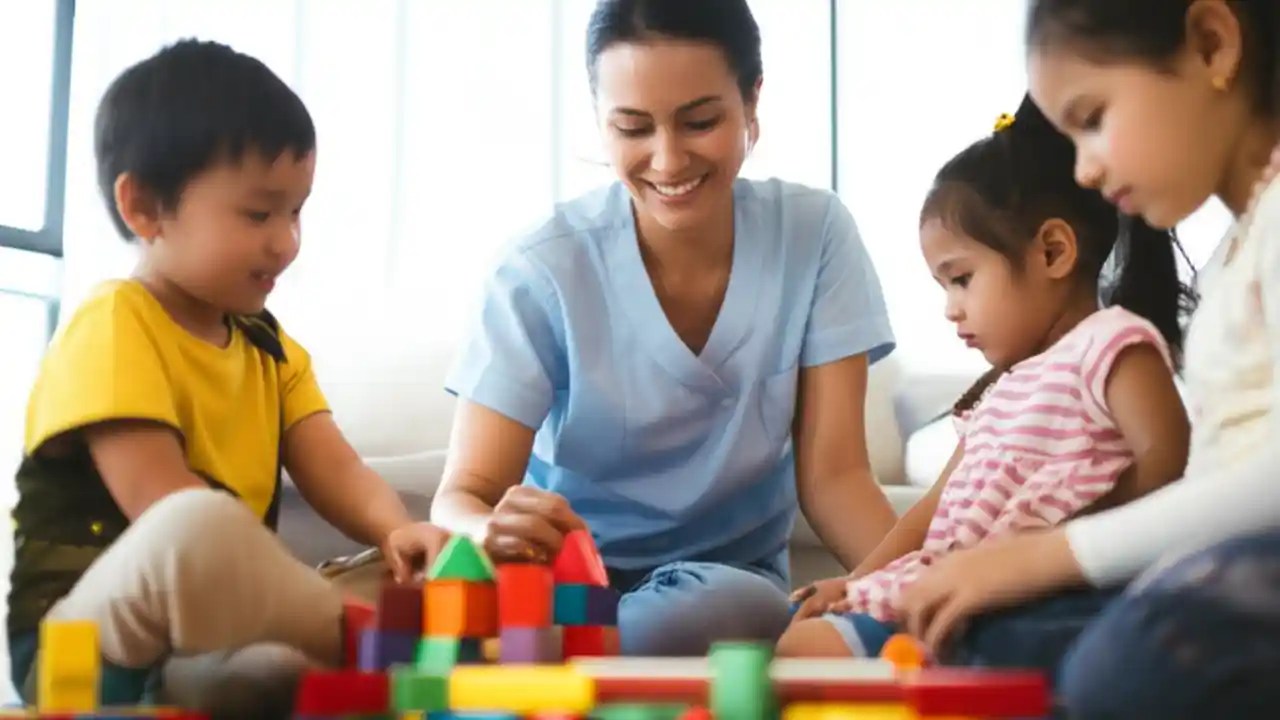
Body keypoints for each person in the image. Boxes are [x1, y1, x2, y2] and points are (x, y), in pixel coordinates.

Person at [431, 0, 897, 656]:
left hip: (728, 590)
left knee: (723, 609)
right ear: (600, 120)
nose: (669, 160)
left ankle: (570, 658)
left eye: (700, 122)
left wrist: (909, 587)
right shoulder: (541, 267)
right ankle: (578, 646)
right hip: (568, 582)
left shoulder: (815, 234)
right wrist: (488, 531)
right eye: (633, 128)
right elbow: (463, 496)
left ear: (752, 102)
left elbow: (836, 478)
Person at [8, 39, 449, 714]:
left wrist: (396, 532)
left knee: (425, 571)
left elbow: (337, 467)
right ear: (144, 208)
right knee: (196, 524)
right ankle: (358, 641)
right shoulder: (113, 323)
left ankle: (248, 670)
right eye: (259, 213)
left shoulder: (270, 349)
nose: (286, 241)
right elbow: (161, 506)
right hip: (90, 640)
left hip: (212, 631)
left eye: (296, 212)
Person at [898, 1, 1280, 716]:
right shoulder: (1234, 250)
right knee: (993, 632)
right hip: (1218, 567)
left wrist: (1054, 552)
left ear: (1211, 45)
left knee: (1124, 663)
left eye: (1093, 119)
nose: (1086, 168)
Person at [775, 95, 1193, 659]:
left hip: (1030, 598)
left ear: (1053, 252)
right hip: (946, 588)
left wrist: (1072, 539)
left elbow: (1167, 459)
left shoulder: (1112, 343)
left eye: (962, 279)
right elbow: (930, 509)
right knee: (791, 638)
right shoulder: (1000, 391)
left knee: (808, 653)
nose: (951, 309)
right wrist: (854, 582)